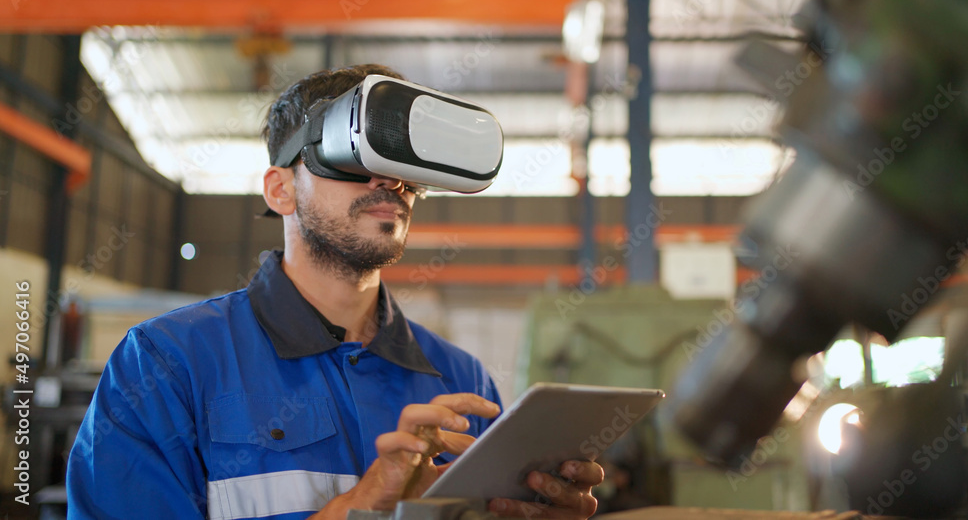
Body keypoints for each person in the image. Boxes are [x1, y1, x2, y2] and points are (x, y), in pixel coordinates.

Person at [67, 64, 603, 519]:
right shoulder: (165, 364)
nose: (386, 181)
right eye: (352, 155)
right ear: (280, 190)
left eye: (401, 163)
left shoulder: (462, 382)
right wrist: (361, 506)